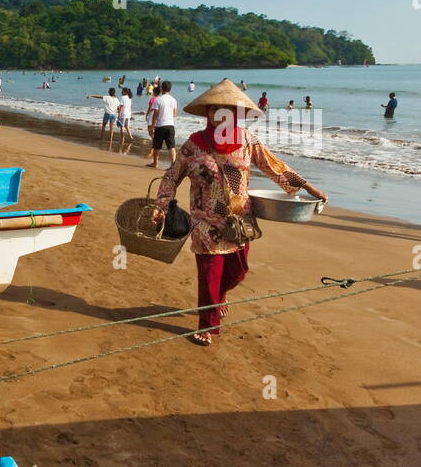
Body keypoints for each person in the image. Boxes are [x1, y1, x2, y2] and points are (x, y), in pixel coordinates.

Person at [151, 80, 327, 346]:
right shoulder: (193, 145)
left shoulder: (247, 140)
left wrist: (311, 190)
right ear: (209, 113)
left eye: (231, 110)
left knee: (237, 272)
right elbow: (171, 177)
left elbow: (275, 167)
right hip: (205, 222)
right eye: (217, 110)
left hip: (239, 222)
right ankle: (207, 326)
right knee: (209, 275)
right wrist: (161, 205)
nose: (223, 115)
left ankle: (219, 298)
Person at [144, 80, 178, 168]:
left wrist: (152, 126)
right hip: (170, 125)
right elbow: (174, 113)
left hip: (160, 125)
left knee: (157, 146)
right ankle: (173, 164)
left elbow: (155, 114)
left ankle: (155, 163)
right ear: (170, 89)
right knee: (171, 146)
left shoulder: (158, 99)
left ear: (162, 88)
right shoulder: (173, 100)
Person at [114, 86, 135, 152]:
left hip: (123, 114)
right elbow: (129, 107)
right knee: (127, 126)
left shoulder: (122, 97)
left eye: (122, 91)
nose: (121, 92)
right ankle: (131, 137)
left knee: (121, 127)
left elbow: (121, 107)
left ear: (125, 92)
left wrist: (119, 115)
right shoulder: (129, 98)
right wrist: (131, 114)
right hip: (128, 114)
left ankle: (122, 138)